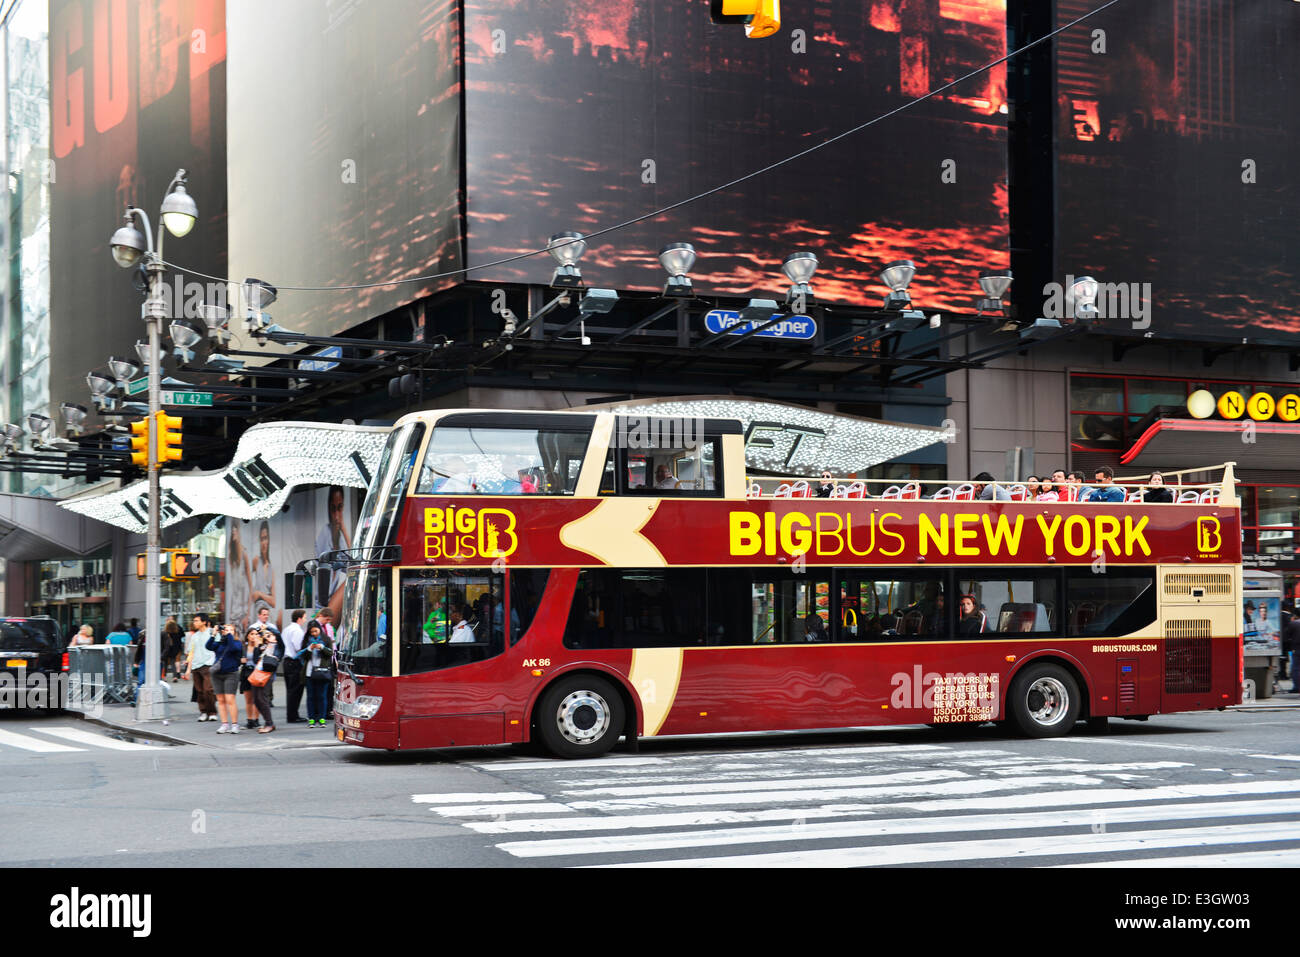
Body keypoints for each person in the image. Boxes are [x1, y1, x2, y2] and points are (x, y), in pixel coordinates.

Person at [206, 622, 245, 734]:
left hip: (231, 674)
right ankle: (224, 724)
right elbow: (208, 646)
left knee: (230, 700)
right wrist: (214, 634)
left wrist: (229, 635)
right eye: (225, 629)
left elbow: (232, 648)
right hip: (217, 674)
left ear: (234, 633)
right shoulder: (219, 644)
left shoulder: (237, 643)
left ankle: (235, 724)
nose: (227, 631)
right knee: (221, 700)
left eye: (231, 630)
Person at [298, 622, 333, 727]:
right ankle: (312, 719)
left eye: (316, 631)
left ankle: (322, 718)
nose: (314, 634)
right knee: (311, 696)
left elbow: (330, 653)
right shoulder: (306, 641)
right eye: (311, 632)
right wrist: (309, 649)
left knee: (322, 696)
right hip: (309, 672)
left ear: (320, 630)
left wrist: (322, 648)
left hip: (322, 671)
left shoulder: (326, 639)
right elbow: (302, 655)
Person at [247, 627, 281, 733]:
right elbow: (255, 659)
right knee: (256, 700)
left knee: (262, 699)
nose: (268, 636)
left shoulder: (278, 647)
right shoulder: (263, 646)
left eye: (271, 635)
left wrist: (267, 629)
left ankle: (269, 723)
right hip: (258, 673)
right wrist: (257, 646)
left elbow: (278, 635)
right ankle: (268, 722)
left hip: (267, 675)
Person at [185, 614, 218, 721]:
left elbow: (218, 648)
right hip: (196, 665)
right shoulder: (194, 636)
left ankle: (212, 712)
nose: (194, 623)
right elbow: (191, 652)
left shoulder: (212, 633)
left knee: (208, 689)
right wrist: (188, 669)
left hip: (209, 664)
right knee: (199, 691)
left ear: (204, 622)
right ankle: (203, 712)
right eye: (194, 621)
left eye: (196, 621)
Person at [250, 520, 278, 630]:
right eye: (261, 539)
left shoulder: (271, 568)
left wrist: (260, 594)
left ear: (269, 540)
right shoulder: (256, 560)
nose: (264, 542)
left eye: (265, 538)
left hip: (267, 612)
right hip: (256, 610)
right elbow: (246, 583)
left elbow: (274, 602)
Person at [280, 609, 307, 723]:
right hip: (295, 662)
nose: (305, 620)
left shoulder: (286, 629)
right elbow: (298, 647)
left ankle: (291, 714)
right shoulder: (297, 631)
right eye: (304, 617)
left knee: (290, 689)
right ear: (299, 618)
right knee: (296, 690)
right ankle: (293, 715)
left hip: (286, 661)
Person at [226, 521, 253, 635]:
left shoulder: (244, 553)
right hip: (235, 602)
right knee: (234, 634)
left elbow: (250, 582)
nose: (234, 535)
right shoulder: (231, 555)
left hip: (243, 600)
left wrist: (247, 612)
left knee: (244, 634)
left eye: (235, 532)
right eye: (232, 533)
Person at [239, 627, 264, 729]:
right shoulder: (243, 647)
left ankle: (256, 720)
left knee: (257, 699)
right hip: (246, 674)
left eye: (256, 634)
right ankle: (249, 720)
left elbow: (256, 660)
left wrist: (257, 647)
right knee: (248, 699)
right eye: (252, 634)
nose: (254, 636)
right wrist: (241, 660)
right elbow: (238, 659)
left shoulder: (260, 647)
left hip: (256, 674)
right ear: (247, 636)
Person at [163, 616, 185, 680]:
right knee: (175, 661)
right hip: (177, 647)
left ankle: (164, 676)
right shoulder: (178, 628)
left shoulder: (166, 630)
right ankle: (176, 675)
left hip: (167, 648)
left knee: (165, 663)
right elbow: (183, 635)